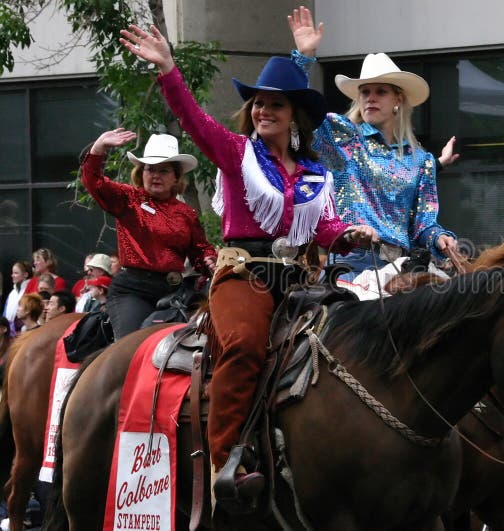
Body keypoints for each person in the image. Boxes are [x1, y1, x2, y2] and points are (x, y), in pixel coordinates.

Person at [120, 22, 378, 507]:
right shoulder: (237, 153)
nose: (262, 109)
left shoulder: (314, 174)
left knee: (353, 344)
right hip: (245, 275)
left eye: (274, 103)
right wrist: (169, 68)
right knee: (243, 345)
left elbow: (324, 227)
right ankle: (226, 464)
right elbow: (193, 120)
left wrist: (348, 234)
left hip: (301, 282)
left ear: (295, 116)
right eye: (258, 103)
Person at [287, 6, 459, 281]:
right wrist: (304, 59)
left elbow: (423, 225)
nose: (370, 98)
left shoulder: (421, 160)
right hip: (350, 262)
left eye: (380, 91)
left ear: (398, 100)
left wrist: (440, 238)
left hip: (402, 267)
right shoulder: (344, 137)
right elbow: (298, 111)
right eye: (365, 92)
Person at [81, 130, 217, 340]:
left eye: (163, 170)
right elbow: (93, 181)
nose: (155, 175)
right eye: (149, 169)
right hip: (132, 290)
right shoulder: (128, 198)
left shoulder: (186, 213)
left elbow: (200, 249)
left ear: (176, 177)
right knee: (133, 347)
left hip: (174, 291)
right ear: (141, 173)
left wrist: (210, 261)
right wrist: (99, 147)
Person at [3, 261, 32, 337]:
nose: (12, 275)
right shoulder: (12, 293)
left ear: (25, 274)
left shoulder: (29, 291)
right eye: (12, 273)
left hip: (21, 333)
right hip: (8, 332)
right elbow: (5, 313)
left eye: (16, 273)